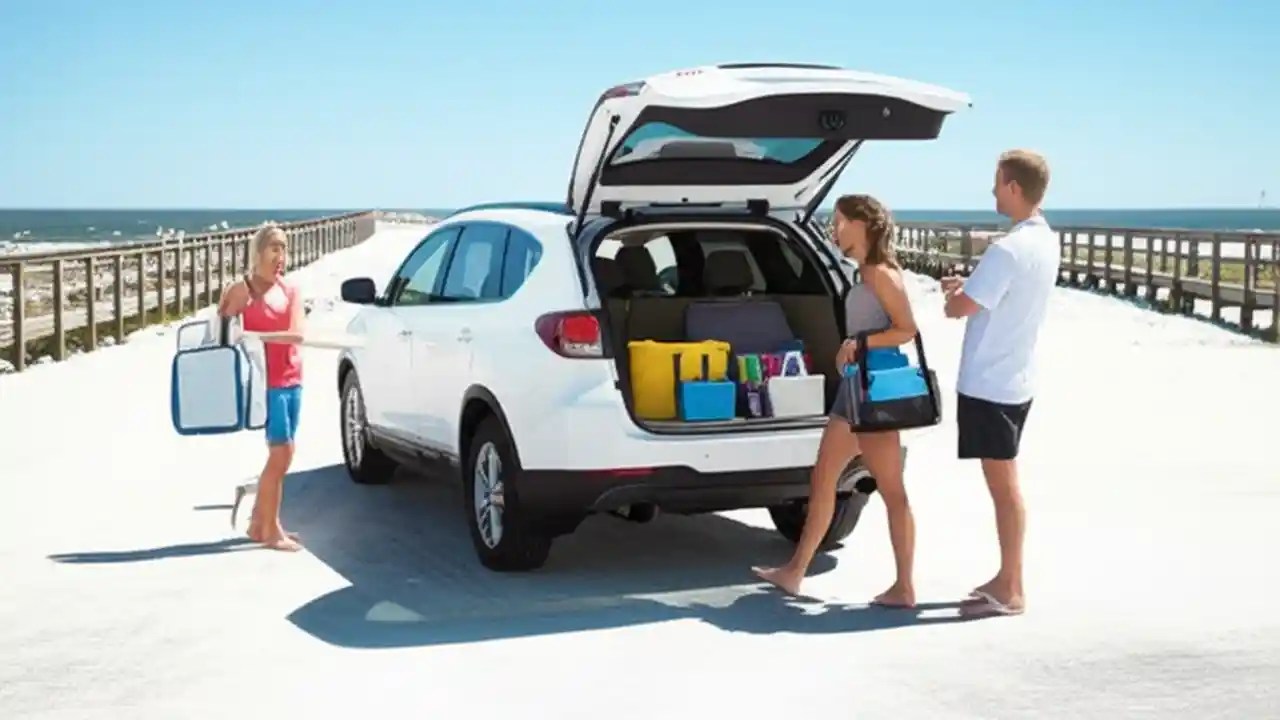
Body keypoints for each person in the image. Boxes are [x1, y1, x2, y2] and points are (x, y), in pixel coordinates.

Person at [752, 194, 921, 605]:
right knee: (823, 477)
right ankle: (794, 572)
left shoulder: (881, 273)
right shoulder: (863, 272)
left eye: (840, 221)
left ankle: (904, 586)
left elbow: (907, 330)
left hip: (875, 390)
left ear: (862, 224)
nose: (833, 228)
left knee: (892, 491)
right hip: (854, 390)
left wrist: (858, 342)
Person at [942, 149, 1058, 616]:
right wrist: (970, 288)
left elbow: (959, 310)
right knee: (1004, 481)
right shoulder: (1044, 240)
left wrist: (955, 294)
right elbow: (998, 295)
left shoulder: (1006, 249)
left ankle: (1011, 585)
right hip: (1016, 376)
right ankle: (1006, 579)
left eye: (997, 182)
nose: (992, 191)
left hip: (991, 382)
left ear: (1013, 186)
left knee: (1003, 485)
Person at [218, 225, 306, 552]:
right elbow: (222, 334)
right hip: (266, 384)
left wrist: (258, 337)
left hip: (293, 378)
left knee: (285, 453)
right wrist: (231, 303)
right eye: (274, 249)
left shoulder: (290, 290)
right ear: (258, 252)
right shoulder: (244, 291)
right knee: (281, 453)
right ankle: (270, 529)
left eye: (284, 249)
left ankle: (261, 521)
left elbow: (296, 334)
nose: (280, 257)